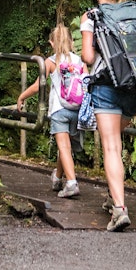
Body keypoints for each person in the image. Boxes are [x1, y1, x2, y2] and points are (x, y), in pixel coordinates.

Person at [80, 0, 136, 231]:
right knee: (117, 145)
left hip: (106, 84)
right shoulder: (134, 13)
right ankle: (112, 196)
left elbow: (86, 57)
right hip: (133, 87)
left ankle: (119, 209)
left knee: (111, 148)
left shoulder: (92, 16)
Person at [17, 24, 86, 199]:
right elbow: (87, 84)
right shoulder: (80, 61)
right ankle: (57, 178)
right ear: (71, 42)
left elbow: (37, 86)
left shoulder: (50, 62)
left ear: (51, 43)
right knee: (65, 148)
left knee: (63, 147)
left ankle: (71, 183)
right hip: (77, 110)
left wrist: (22, 96)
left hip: (59, 110)